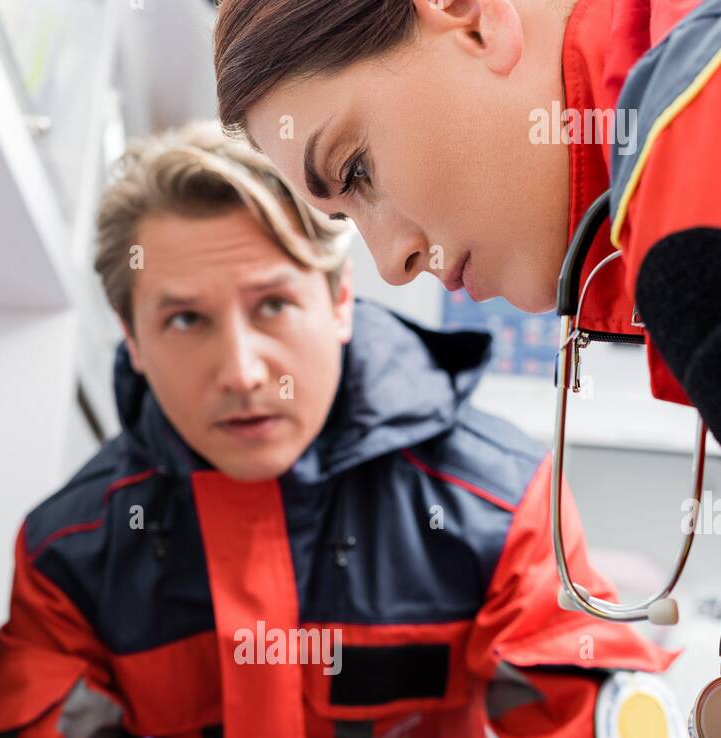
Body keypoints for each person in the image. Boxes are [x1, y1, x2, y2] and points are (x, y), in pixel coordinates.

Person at [0, 121, 721, 738]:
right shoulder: (75, 548)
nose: (240, 371)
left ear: (340, 298)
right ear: (133, 339)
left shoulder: (500, 503)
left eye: (271, 304)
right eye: (185, 318)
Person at [213, 0, 721, 440]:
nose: (393, 265)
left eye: (357, 171)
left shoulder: (690, 203)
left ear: (469, 16)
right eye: (344, 219)